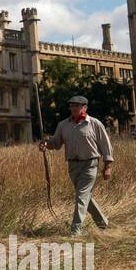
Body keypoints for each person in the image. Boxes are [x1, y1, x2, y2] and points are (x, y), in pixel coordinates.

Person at [40, 95, 113, 236]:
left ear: (84, 107)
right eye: (71, 105)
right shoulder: (63, 125)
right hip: (73, 166)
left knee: (81, 196)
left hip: (90, 164)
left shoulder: (94, 124)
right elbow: (55, 143)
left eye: (76, 105)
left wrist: (107, 166)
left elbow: (106, 145)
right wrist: (45, 144)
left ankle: (75, 231)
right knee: (85, 198)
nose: (73, 108)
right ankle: (103, 223)